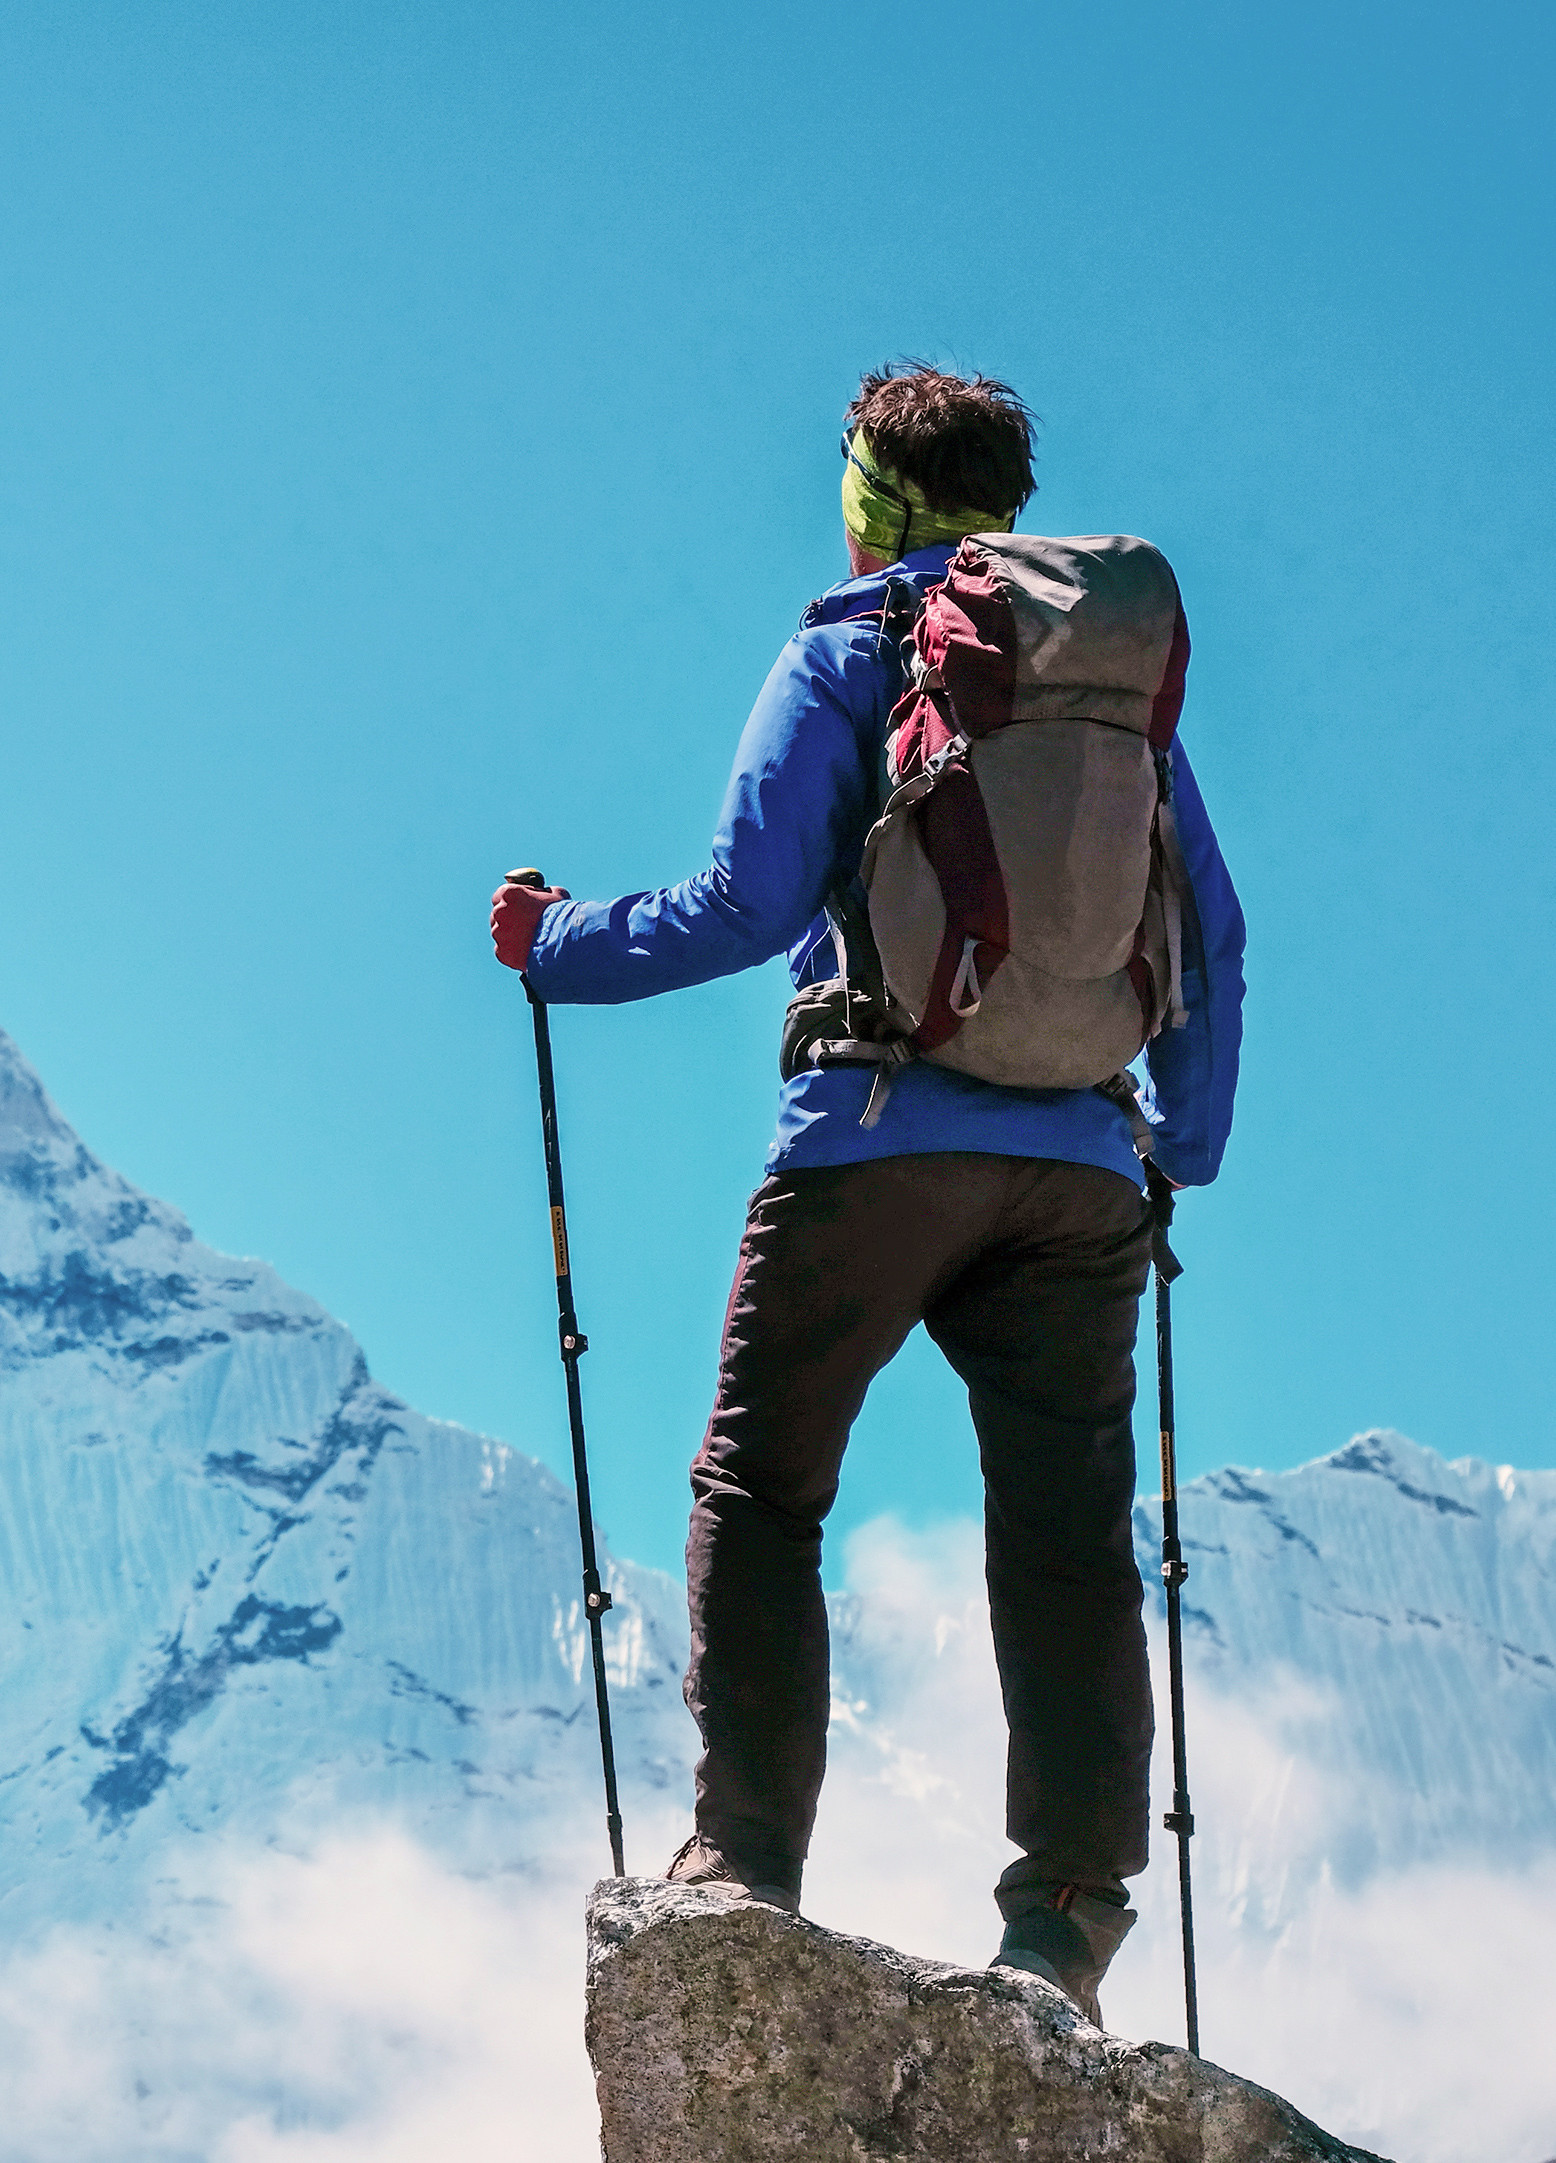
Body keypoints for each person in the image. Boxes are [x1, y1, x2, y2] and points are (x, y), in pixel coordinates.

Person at [487, 365, 1245, 2024]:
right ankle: (1062, 1922)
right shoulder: (1105, 698)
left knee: (762, 1490)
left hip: (874, 1136)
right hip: (1078, 1174)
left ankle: (745, 1862)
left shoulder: (849, 650)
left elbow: (743, 905)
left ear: (875, 495)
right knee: (1063, 1546)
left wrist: (558, 948)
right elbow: (1214, 934)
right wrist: (1170, 1153)